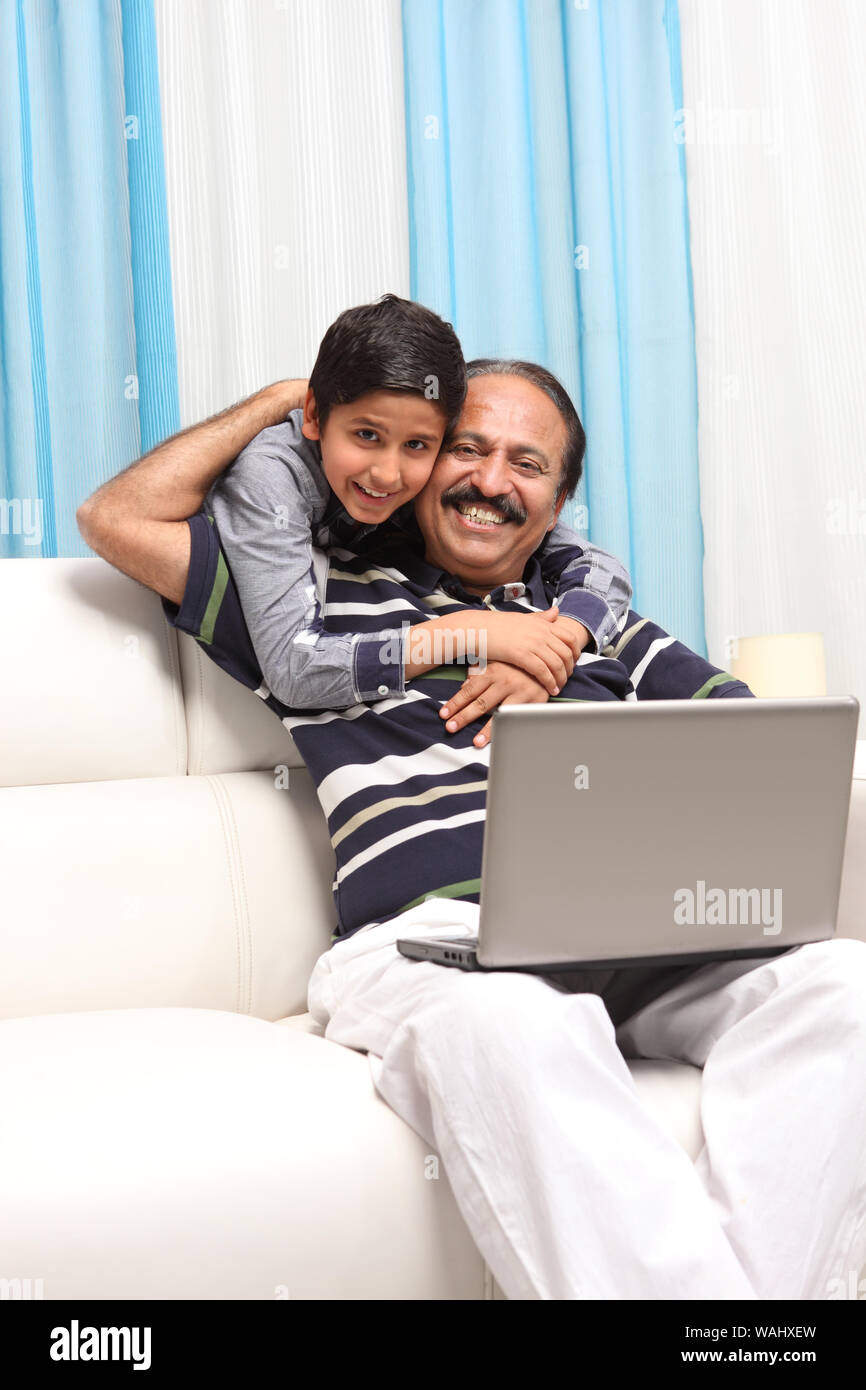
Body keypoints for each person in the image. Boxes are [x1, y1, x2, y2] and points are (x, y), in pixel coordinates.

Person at [77, 362, 866, 1302]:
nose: (491, 481)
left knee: (843, 986)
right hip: (437, 944)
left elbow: (754, 748)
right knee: (513, 1023)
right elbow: (117, 517)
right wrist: (289, 400)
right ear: (422, 465)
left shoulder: (599, 626)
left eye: (526, 463)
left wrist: (559, 654)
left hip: (646, 944)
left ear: (558, 501)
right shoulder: (312, 602)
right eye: (467, 449)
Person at [197, 295, 633, 712]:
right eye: (367, 435)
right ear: (313, 414)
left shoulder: (427, 482)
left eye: (418, 444)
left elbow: (600, 567)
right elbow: (294, 670)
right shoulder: (270, 478)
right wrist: (465, 632)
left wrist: (555, 649)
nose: (388, 474)